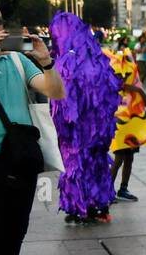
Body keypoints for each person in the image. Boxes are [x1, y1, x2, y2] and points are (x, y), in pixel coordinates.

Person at [0, 9, 66, 255]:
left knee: (13, 230)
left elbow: (55, 91)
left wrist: (46, 61)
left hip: (19, 157)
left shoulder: (15, 61)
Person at [49, 20, 121, 225]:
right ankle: (99, 204)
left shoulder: (65, 62)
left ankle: (76, 206)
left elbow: (62, 100)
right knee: (96, 163)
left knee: (75, 165)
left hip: (75, 129)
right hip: (99, 128)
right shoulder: (100, 60)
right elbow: (111, 93)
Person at [109, 37, 146, 203]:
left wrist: (137, 90)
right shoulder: (111, 91)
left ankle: (123, 188)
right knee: (118, 158)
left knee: (129, 158)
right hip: (118, 128)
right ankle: (108, 190)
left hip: (133, 128)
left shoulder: (135, 89)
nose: (123, 77)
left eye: (126, 74)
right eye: (120, 75)